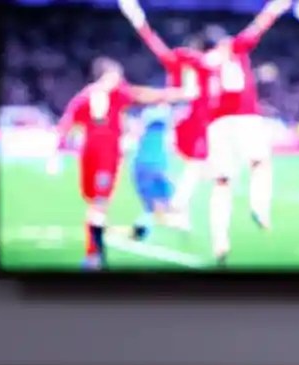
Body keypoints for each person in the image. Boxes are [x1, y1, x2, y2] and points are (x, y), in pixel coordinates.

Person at [47, 57, 192, 270]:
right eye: (117, 76)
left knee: (96, 203)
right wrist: (178, 93)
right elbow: (144, 95)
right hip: (105, 156)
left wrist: (56, 154)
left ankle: (94, 254)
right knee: (98, 204)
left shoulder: (88, 95)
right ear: (107, 76)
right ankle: (95, 256)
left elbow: (66, 123)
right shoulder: (111, 94)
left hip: (90, 155)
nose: (121, 80)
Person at [199, 0, 293, 265]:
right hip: (245, 118)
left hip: (217, 125)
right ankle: (258, 206)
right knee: (260, 164)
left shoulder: (203, 64)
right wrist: (277, 6)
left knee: (221, 184)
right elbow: (259, 26)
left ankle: (220, 240)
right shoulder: (236, 48)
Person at [118, 0, 216, 233]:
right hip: (193, 120)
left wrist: (135, 15)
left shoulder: (177, 60)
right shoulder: (205, 65)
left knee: (194, 166)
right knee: (197, 165)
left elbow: (153, 41)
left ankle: (177, 209)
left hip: (179, 118)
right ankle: (177, 205)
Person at [130, 103, 176, 241]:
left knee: (154, 205)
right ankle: (143, 226)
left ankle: (141, 229)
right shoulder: (161, 126)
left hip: (143, 167)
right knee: (163, 202)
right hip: (152, 167)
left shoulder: (149, 124)